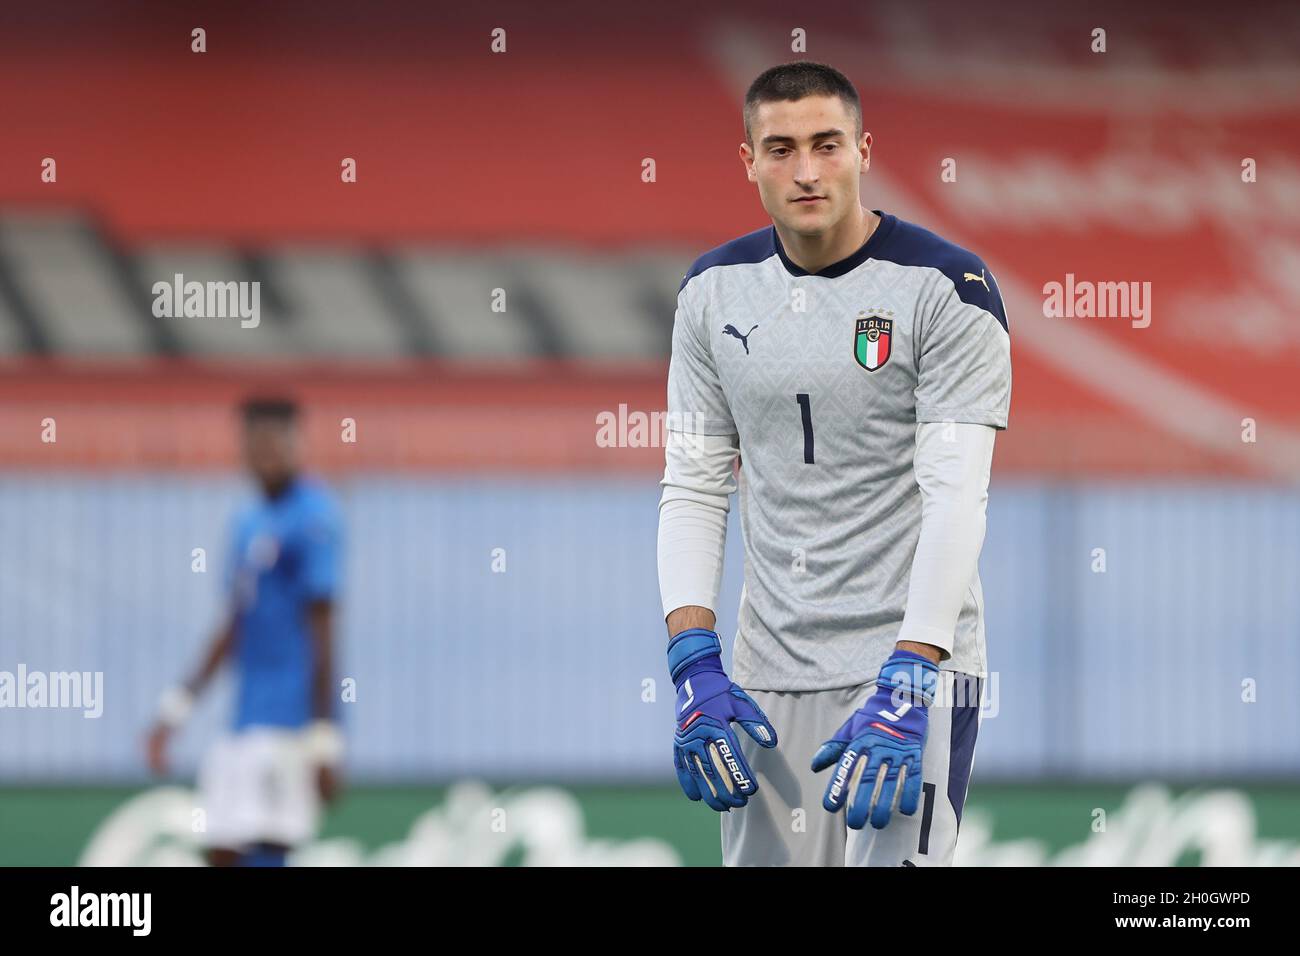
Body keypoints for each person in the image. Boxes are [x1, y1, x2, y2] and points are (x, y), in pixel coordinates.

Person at [659, 61, 1011, 866]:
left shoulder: (947, 287)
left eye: (827, 144)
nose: (807, 171)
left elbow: (958, 496)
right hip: (765, 680)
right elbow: (693, 485)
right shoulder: (711, 292)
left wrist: (915, 667)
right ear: (746, 160)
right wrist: (690, 658)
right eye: (780, 149)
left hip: (906, 673)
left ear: (864, 151)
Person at [146, 397, 344, 866]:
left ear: (296, 445)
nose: (265, 455)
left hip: (287, 720)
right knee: (221, 847)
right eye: (256, 445)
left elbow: (324, 629)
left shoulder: (315, 517)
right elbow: (233, 624)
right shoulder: (246, 522)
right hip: (243, 716)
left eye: (276, 443)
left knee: (268, 843)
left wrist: (325, 735)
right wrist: (177, 708)